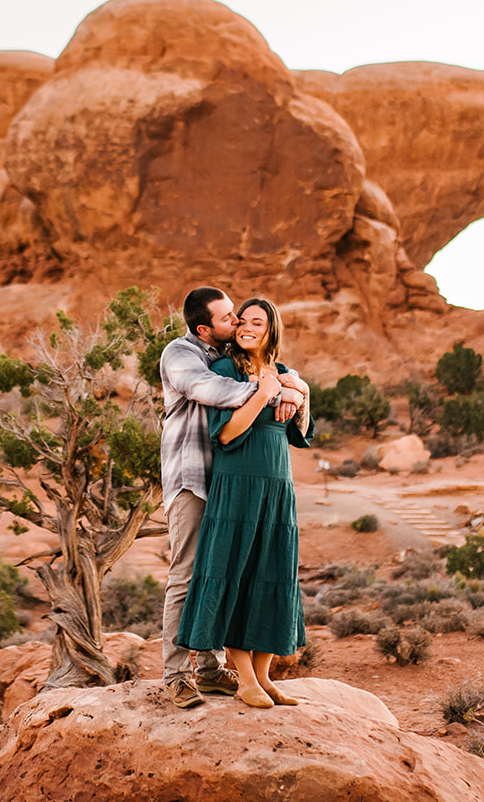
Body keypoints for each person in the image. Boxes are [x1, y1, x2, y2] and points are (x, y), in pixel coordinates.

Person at [158, 286, 305, 709]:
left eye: (239, 317)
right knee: (188, 575)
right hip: (193, 479)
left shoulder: (231, 358)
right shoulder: (182, 356)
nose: (237, 323)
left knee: (221, 569)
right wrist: (276, 389)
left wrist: (296, 386)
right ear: (205, 328)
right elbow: (210, 390)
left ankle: (210, 670)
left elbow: (279, 386)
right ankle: (176, 675)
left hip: (227, 480)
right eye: (229, 318)